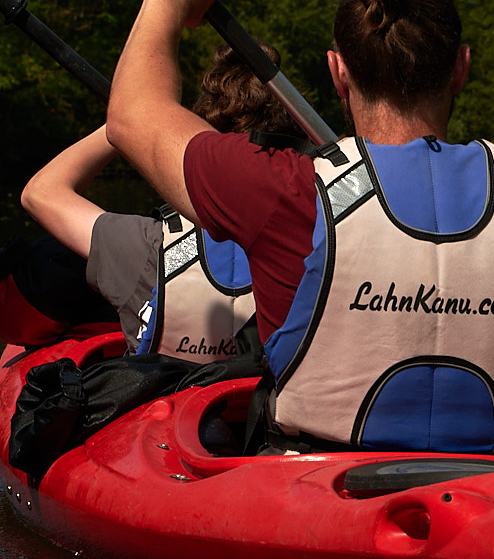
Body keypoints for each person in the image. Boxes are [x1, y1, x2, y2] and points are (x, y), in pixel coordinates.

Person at [107, 0, 494, 454]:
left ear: (338, 72)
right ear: (461, 68)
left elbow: (132, 116)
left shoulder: (283, 192)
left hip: (317, 497)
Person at [19, 45, 295, 363]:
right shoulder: (326, 229)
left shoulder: (146, 243)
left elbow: (39, 193)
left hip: (172, 406)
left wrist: (128, 122)